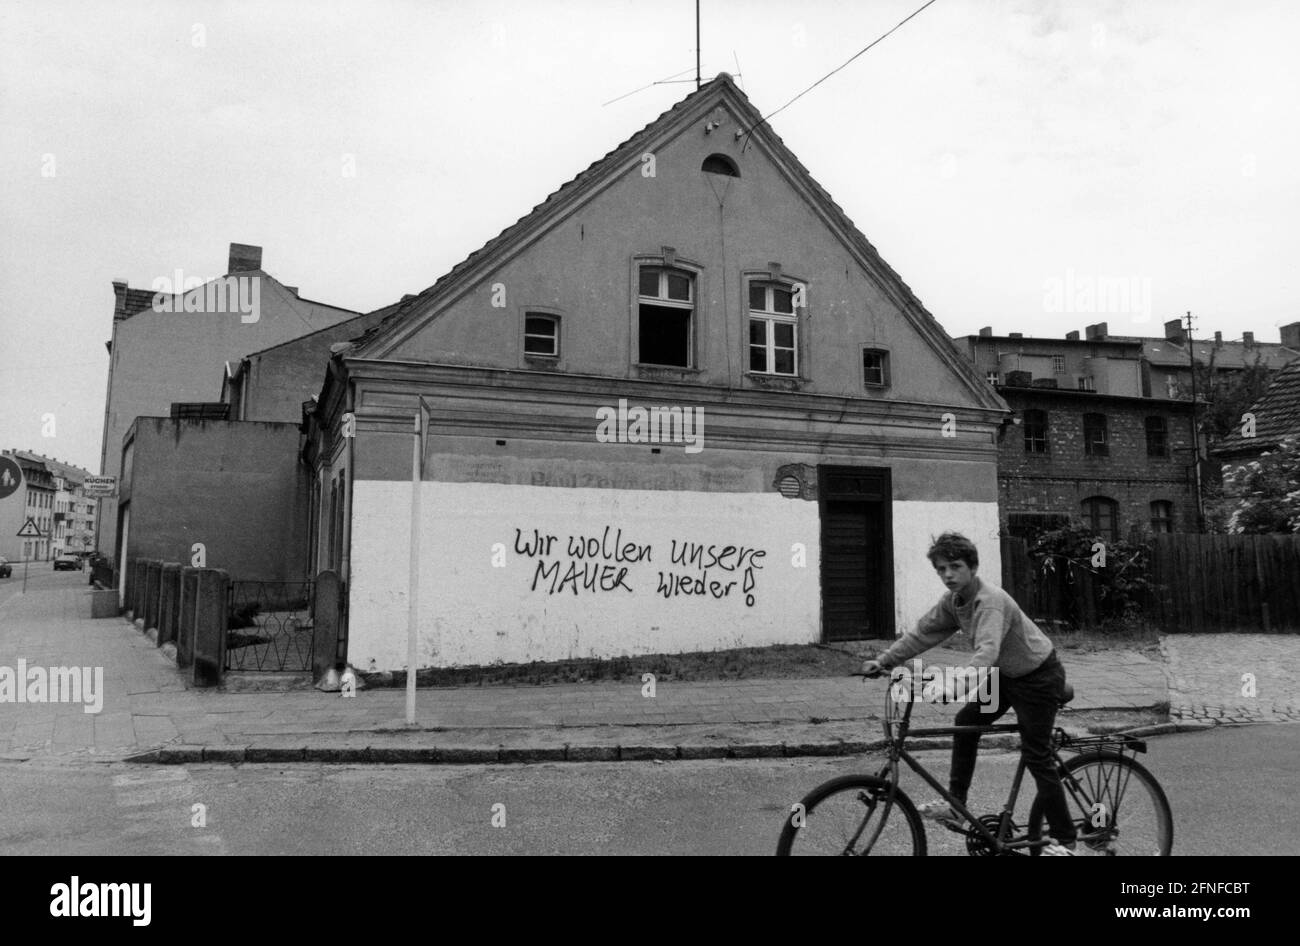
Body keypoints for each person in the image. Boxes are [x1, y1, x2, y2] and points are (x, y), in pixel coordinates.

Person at [860, 531, 1077, 855]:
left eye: (955, 566)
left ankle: (1065, 840)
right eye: (941, 569)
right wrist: (884, 660)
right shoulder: (954, 601)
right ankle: (955, 804)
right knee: (966, 722)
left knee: (1037, 755)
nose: (948, 575)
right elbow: (923, 632)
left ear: (971, 567)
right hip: (1008, 676)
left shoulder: (990, 602)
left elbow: (986, 653)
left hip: (1039, 678)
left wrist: (954, 685)